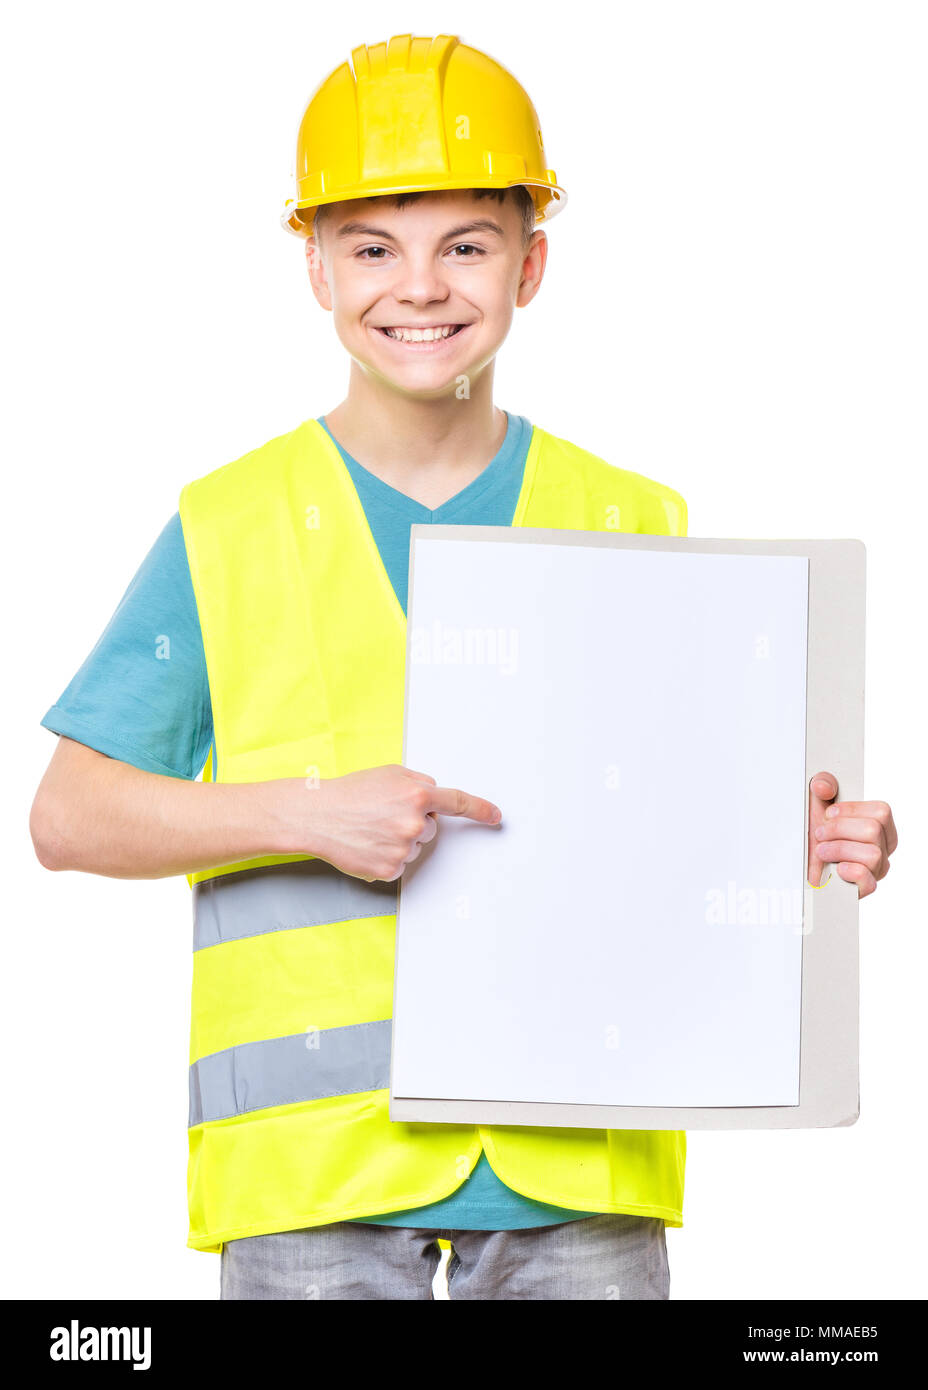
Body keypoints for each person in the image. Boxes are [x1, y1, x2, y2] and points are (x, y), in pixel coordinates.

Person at [30, 32, 898, 1301]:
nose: (419, 287)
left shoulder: (631, 518)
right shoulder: (232, 525)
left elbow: (663, 822)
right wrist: (304, 815)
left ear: (530, 264)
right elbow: (69, 814)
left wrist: (808, 847)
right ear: (315, 265)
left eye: (467, 245)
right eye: (374, 245)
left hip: (576, 1162)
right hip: (314, 1180)